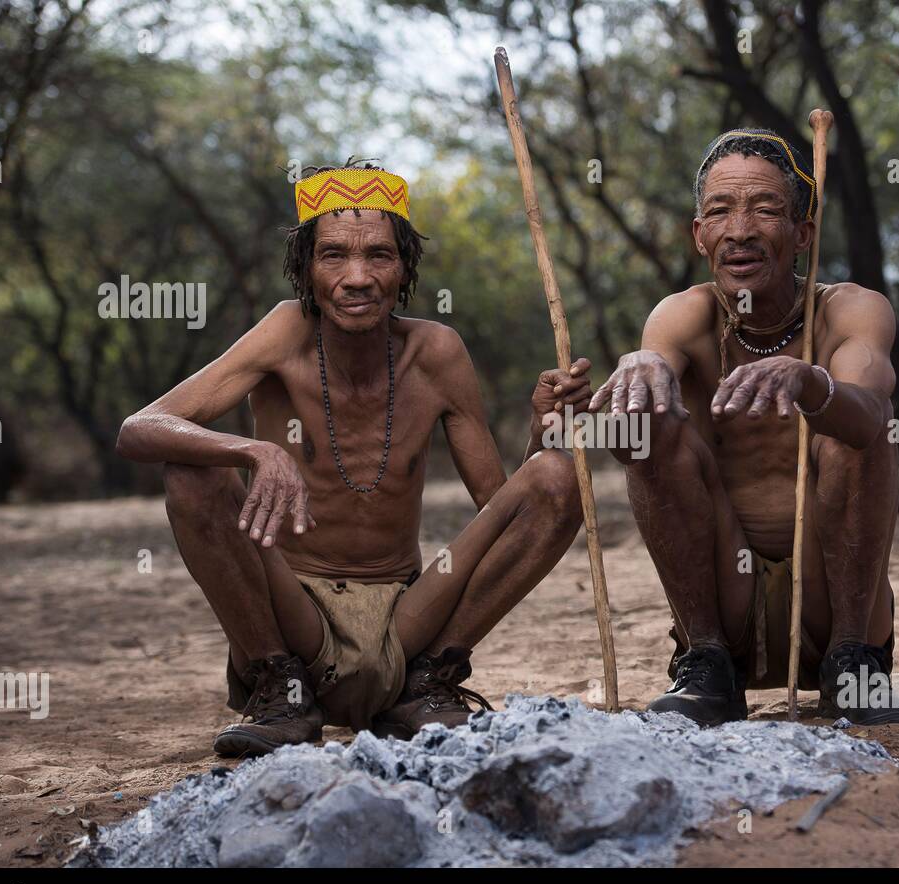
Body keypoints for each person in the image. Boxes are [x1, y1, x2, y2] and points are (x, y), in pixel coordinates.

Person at [118, 161, 594, 755]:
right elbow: (140, 427)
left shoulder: (437, 351)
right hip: (296, 616)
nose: (358, 277)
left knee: (555, 473)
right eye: (334, 255)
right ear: (306, 267)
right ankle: (279, 688)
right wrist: (253, 450)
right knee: (192, 472)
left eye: (379, 255)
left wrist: (546, 425)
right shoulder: (285, 332)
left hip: (409, 620)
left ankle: (430, 681)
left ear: (404, 268)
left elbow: (501, 509)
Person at [590, 128, 899, 727]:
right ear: (699, 235)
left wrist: (812, 383)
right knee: (656, 422)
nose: (739, 230)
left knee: (861, 427)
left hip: (830, 604)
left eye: (765, 210)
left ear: (802, 234)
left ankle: (854, 666)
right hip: (724, 606)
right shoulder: (681, 316)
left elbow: (872, 416)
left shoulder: (850, 309)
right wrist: (629, 385)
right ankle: (707, 664)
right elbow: (631, 450)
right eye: (720, 212)